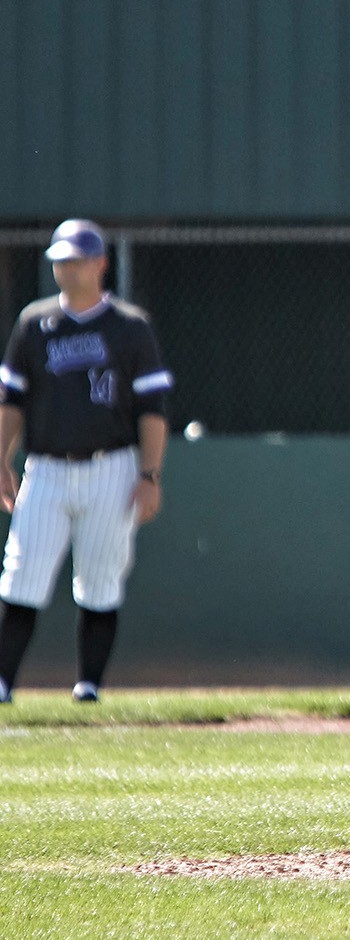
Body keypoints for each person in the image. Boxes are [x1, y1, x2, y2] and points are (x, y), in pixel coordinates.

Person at [0, 219, 172, 704]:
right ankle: (3, 683)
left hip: (111, 466)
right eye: (60, 260)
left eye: (76, 259)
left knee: (100, 578)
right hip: (48, 466)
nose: (66, 268)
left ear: (100, 264)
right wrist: (1, 459)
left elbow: (152, 409)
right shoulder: (34, 324)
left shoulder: (129, 327)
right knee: (20, 574)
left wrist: (150, 475)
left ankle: (89, 686)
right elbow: (11, 398)